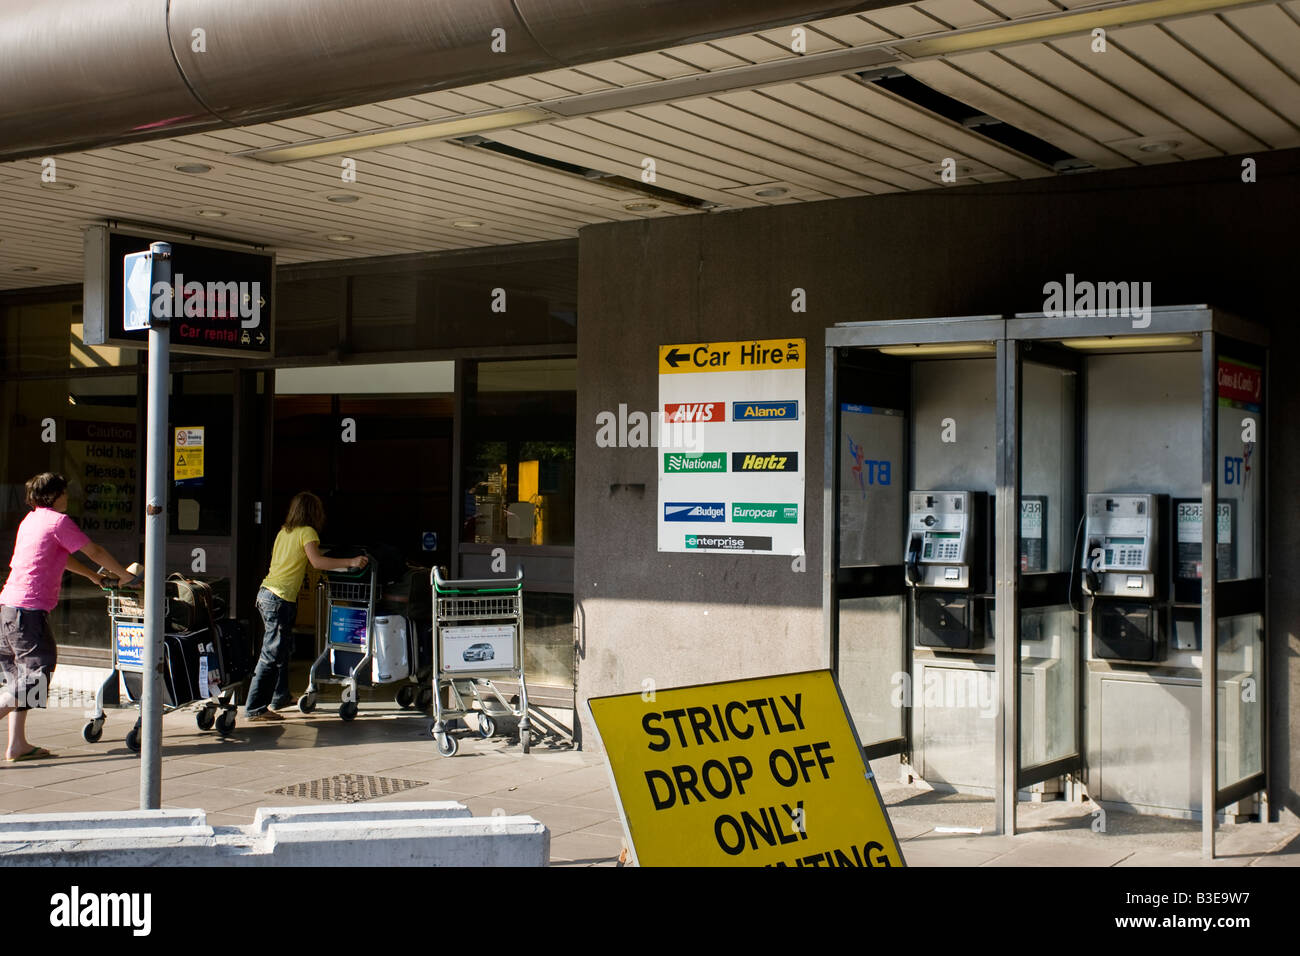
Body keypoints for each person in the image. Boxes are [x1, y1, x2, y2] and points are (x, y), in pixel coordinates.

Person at [0, 473, 136, 760]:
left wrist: (91, 576)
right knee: (35, 678)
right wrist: (125, 575)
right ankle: (16, 743)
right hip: (28, 612)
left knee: (21, 679)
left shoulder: (32, 520)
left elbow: (62, 555)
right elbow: (94, 551)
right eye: (64, 492)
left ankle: (17, 744)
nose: (68, 497)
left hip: (10, 609)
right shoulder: (57, 521)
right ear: (53, 495)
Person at [245, 492, 367, 721]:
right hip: (279, 597)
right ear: (314, 512)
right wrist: (350, 562)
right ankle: (254, 708)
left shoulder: (285, 531)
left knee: (280, 650)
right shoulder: (307, 532)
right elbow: (317, 561)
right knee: (271, 654)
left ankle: (280, 696)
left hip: (268, 594)